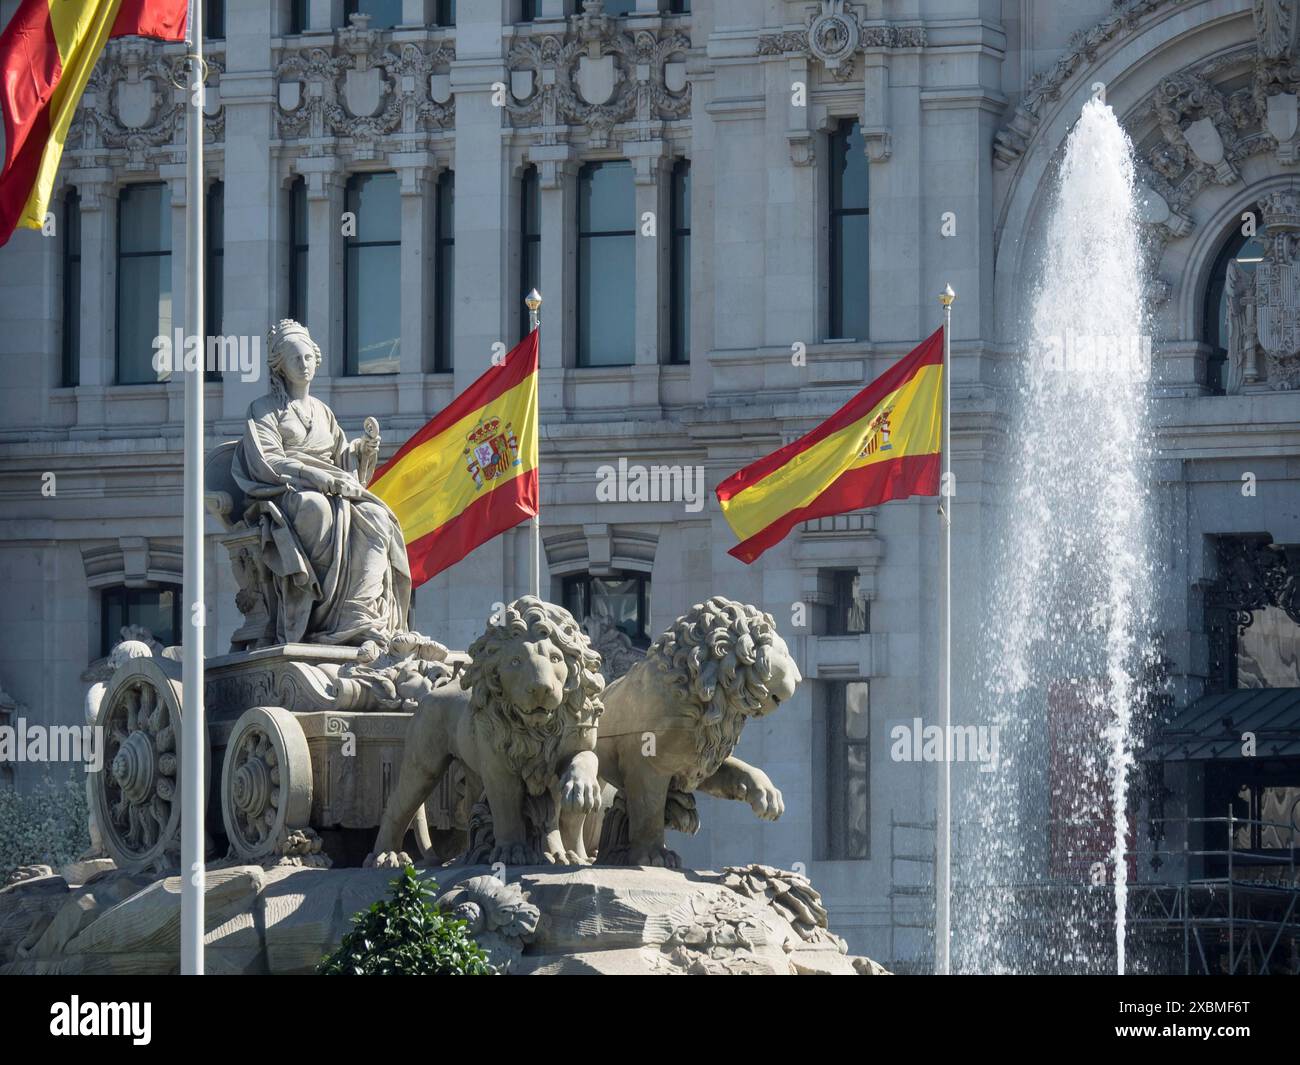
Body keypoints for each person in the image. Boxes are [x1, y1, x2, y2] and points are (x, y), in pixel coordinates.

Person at [233, 319, 412, 645]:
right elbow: (267, 461)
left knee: (378, 518)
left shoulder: (322, 411)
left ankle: (357, 611)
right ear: (280, 367)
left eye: (308, 358)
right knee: (317, 511)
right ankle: (318, 619)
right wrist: (313, 476)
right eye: (295, 359)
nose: (304, 365)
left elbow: (342, 458)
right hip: (287, 493)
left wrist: (363, 450)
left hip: (334, 488)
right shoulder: (263, 410)